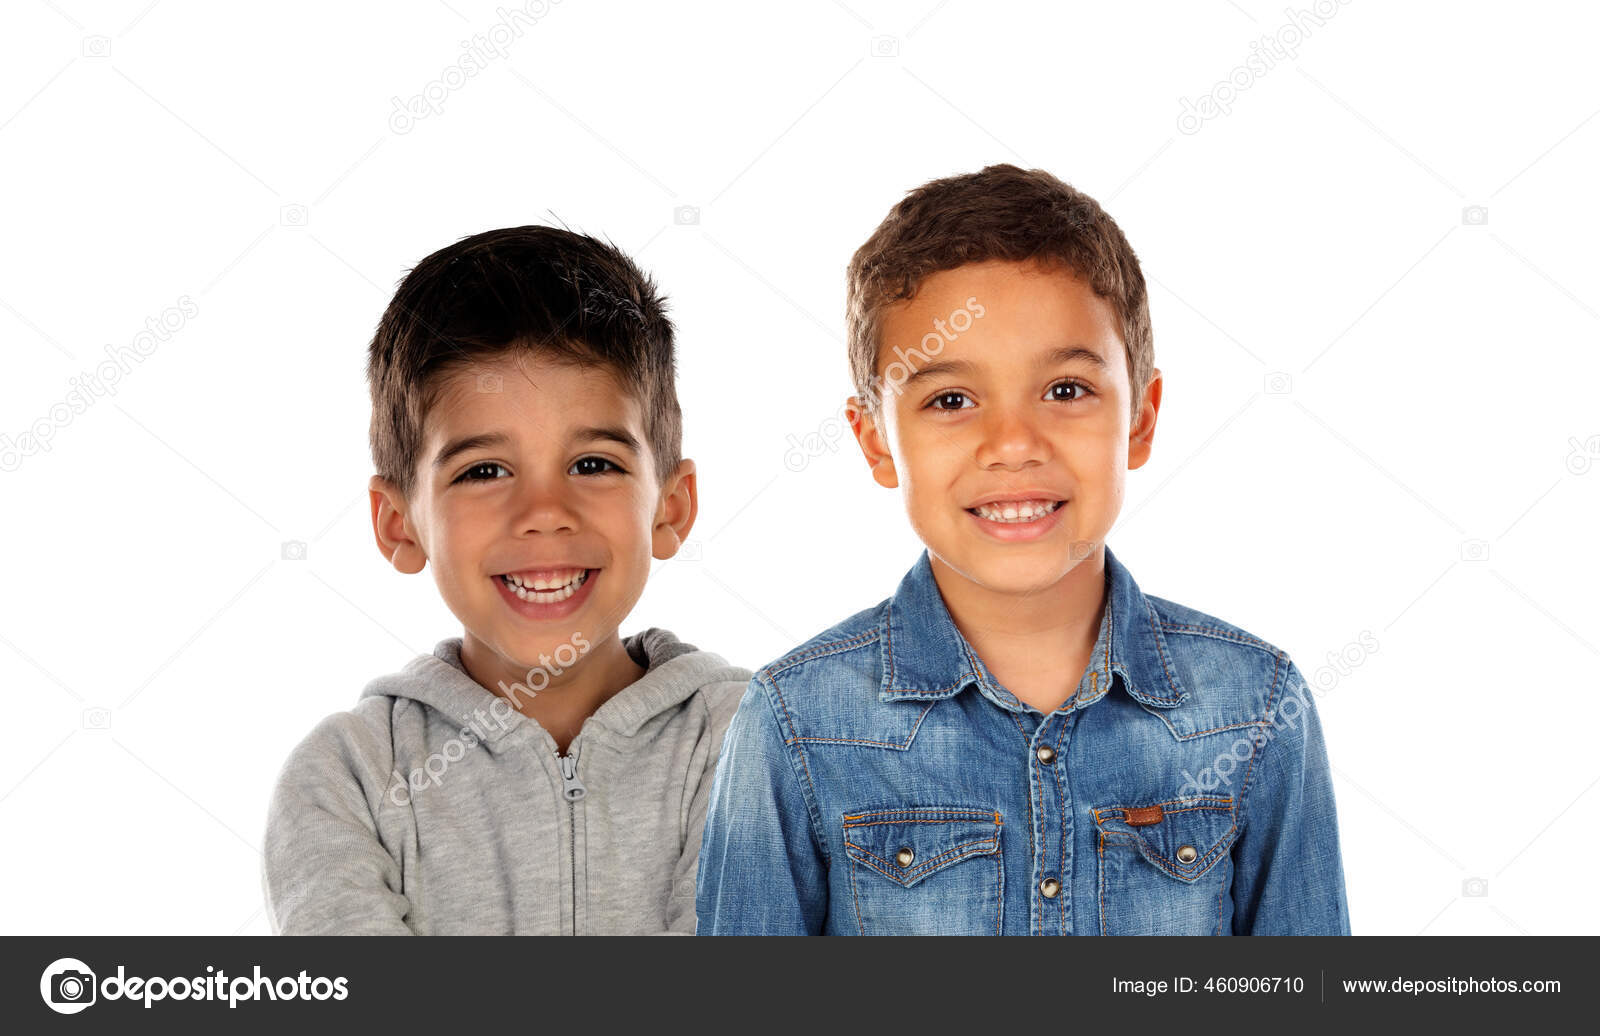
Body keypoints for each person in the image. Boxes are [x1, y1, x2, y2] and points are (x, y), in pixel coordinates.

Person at [696, 165, 1350, 935]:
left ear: (1140, 417)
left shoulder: (1257, 707)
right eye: (950, 400)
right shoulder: (795, 723)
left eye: (1066, 390)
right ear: (876, 442)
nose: (1012, 444)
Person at [264, 226, 749, 934]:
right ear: (399, 522)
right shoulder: (348, 781)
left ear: (670, 507)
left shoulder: (751, 742)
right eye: (483, 472)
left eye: (593, 464)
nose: (544, 513)